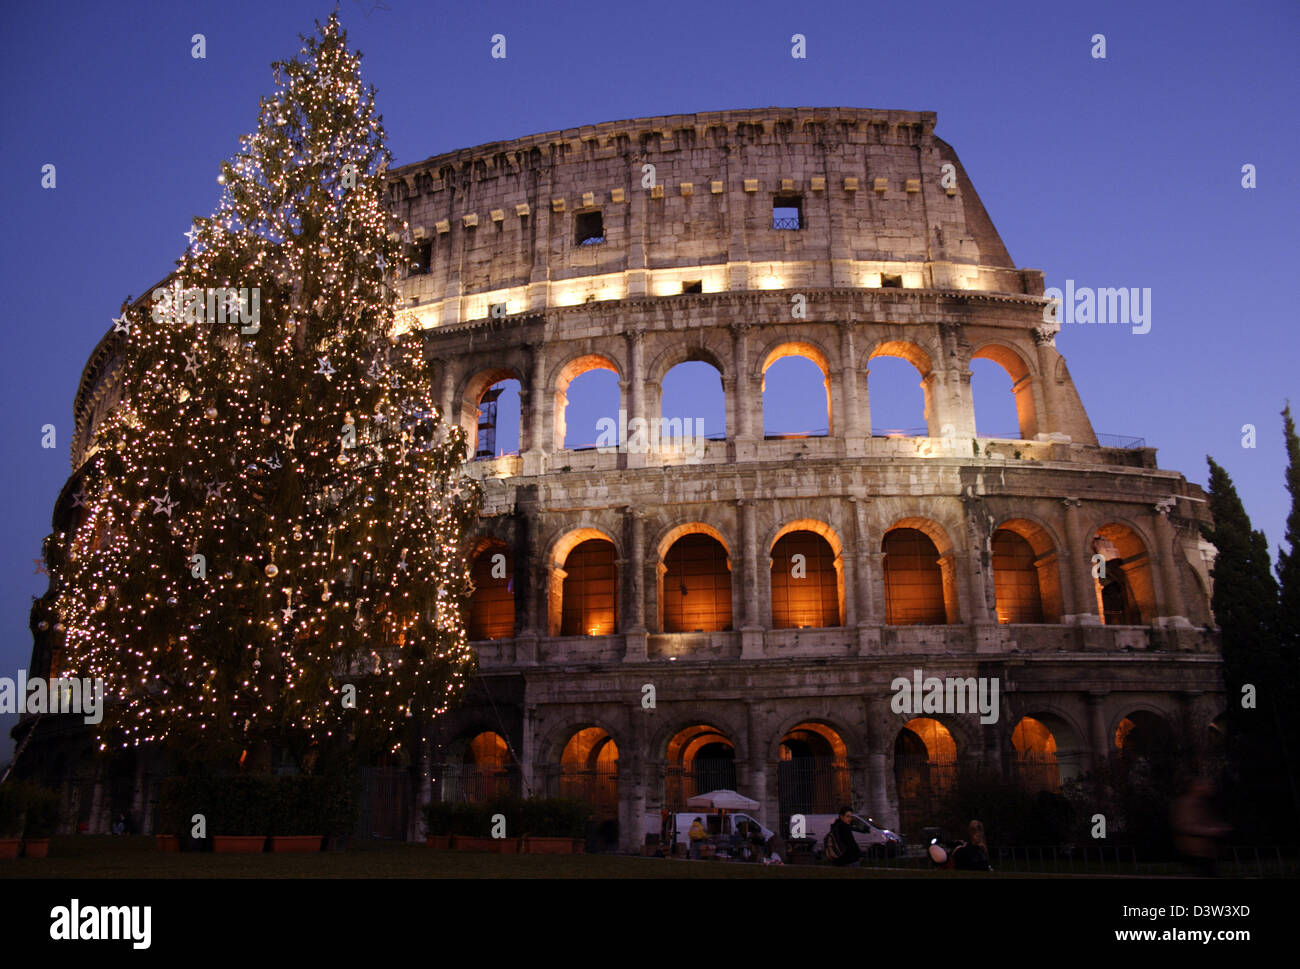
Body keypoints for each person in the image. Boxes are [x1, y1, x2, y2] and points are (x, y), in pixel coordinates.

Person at [1171, 777, 1230, 877]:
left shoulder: (1203, 803)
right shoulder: (1187, 803)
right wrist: (1211, 831)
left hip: (1205, 852)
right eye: (1206, 786)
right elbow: (1185, 826)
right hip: (1195, 852)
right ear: (1197, 787)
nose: (1210, 788)